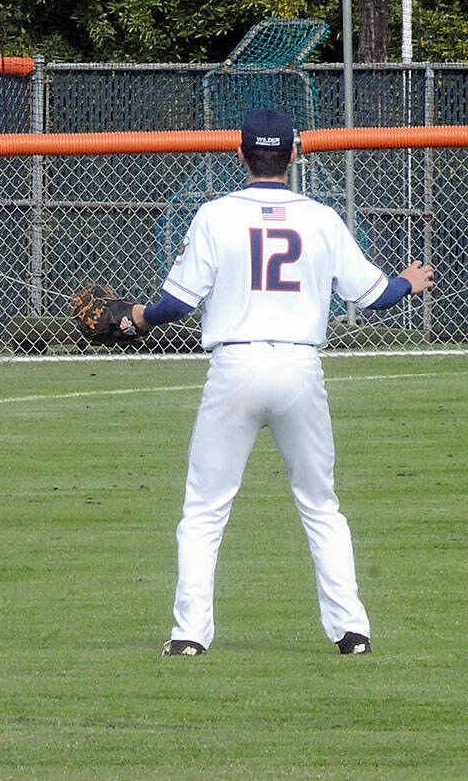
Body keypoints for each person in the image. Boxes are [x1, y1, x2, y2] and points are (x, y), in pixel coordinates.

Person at [137, 108, 434, 657]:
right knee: (320, 505)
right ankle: (353, 632)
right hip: (300, 368)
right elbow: (373, 297)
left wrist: (138, 318)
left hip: (235, 366)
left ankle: (188, 637)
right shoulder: (321, 217)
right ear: (294, 156)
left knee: (205, 509)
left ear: (240, 154)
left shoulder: (215, 214)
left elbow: (178, 302)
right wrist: (409, 283)